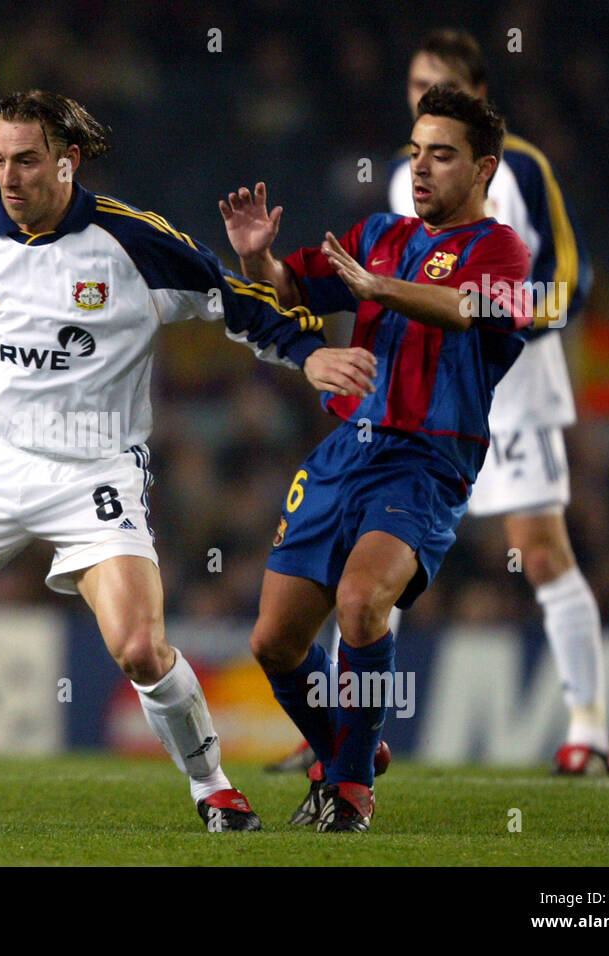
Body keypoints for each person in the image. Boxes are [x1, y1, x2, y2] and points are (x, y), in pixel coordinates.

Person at [0, 89, 375, 830]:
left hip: (94, 471)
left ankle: (212, 787)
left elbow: (233, 301)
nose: (9, 178)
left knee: (142, 647)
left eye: (25, 161)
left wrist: (307, 355)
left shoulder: (134, 242)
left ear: (67, 161)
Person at [221, 86, 531, 831]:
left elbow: (464, 308)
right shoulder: (382, 232)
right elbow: (292, 287)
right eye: (416, 151)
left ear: (483, 168)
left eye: (443, 155)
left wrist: (376, 289)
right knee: (274, 641)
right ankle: (346, 750)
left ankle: (350, 789)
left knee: (363, 604)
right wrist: (260, 256)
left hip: (427, 459)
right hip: (346, 450)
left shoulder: (502, 250)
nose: (421, 167)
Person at [388, 30, 609, 775]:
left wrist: (496, 316)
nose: (425, 97)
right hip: (432, 395)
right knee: (381, 551)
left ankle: (588, 725)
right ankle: (341, 726)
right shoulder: (401, 182)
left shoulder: (522, 169)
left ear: (478, 97)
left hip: (513, 395)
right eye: (417, 83)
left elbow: (568, 279)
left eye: (440, 85)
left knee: (541, 552)